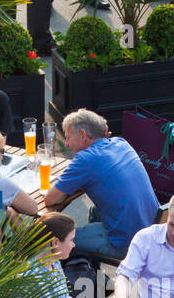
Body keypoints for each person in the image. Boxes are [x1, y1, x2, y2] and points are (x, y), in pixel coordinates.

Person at [43, 109, 159, 260]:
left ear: (83, 135)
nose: (66, 143)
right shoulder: (121, 143)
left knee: (60, 243)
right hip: (152, 230)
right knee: (95, 211)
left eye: (68, 137)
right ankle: (92, 270)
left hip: (128, 243)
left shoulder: (85, 160)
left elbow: (50, 200)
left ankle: (79, 276)